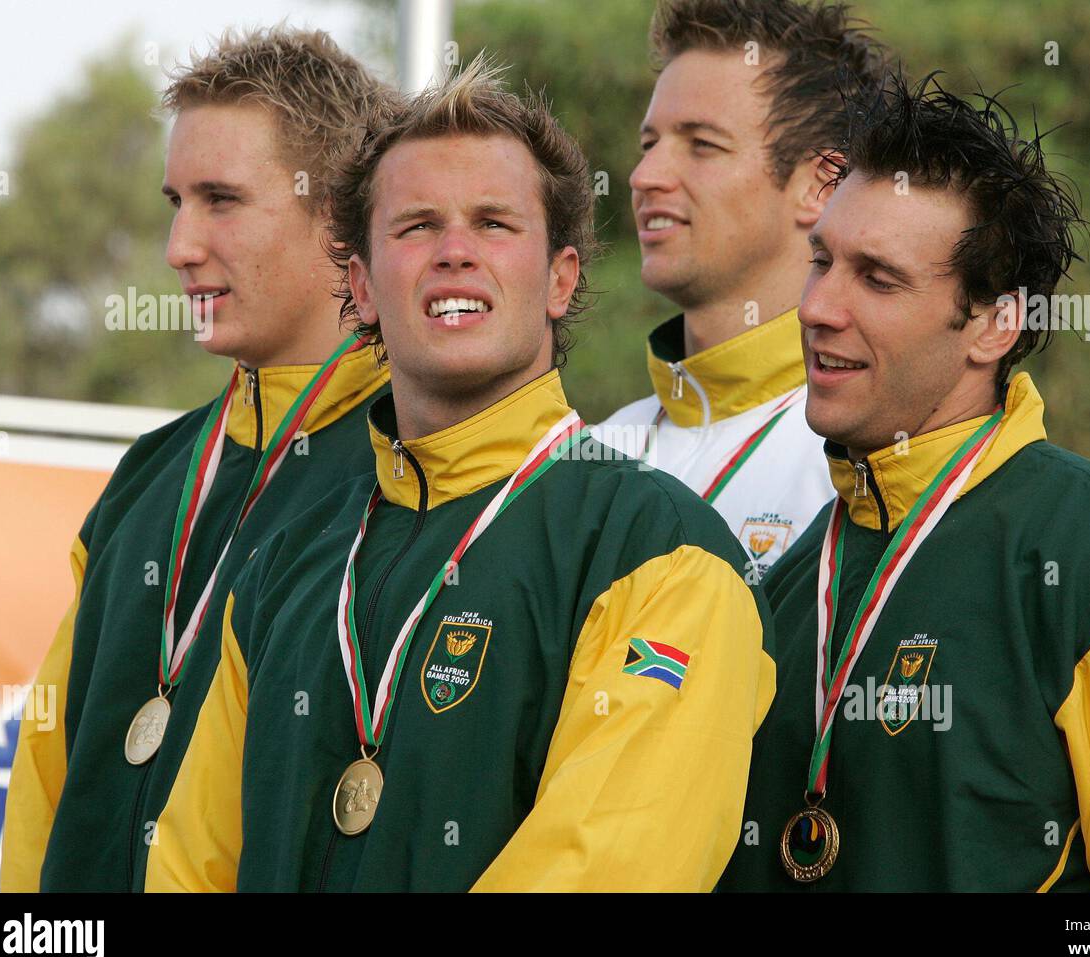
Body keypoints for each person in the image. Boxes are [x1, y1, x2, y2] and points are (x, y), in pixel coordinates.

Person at [146, 59, 775, 892]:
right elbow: (191, 868)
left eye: (493, 223)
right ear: (362, 288)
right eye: (415, 227)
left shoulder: (661, 556)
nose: (453, 253)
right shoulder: (280, 566)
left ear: (560, 278)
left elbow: (606, 868)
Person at [720, 72, 1090, 891]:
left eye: (878, 278)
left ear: (997, 323)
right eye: (821, 261)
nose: (819, 306)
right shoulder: (785, 590)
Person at [1, 26, 399, 892]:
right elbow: (42, 770)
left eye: (220, 199)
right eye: (175, 202)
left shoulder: (417, 474)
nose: (180, 246)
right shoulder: (148, 473)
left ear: (340, 214)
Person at [594, 0, 884, 580]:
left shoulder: (874, 461)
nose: (645, 176)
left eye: (701, 144)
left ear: (821, 184)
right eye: (649, 143)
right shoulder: (594, 451)